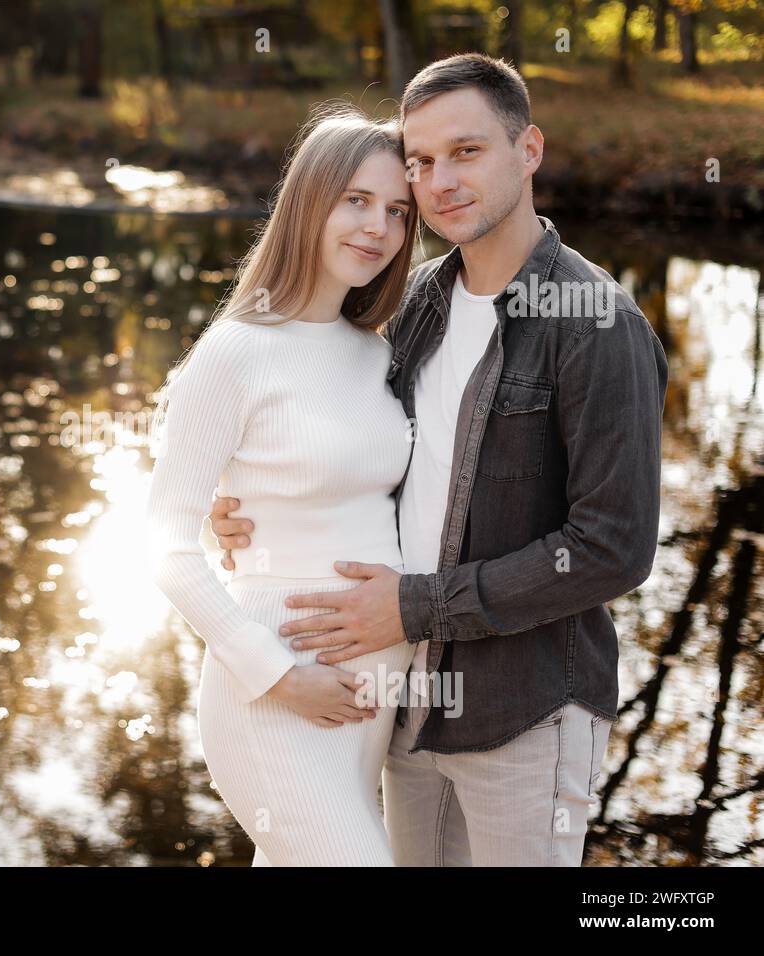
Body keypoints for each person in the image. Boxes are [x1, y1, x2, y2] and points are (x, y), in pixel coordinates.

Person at [208, 54, 669, 866]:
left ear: (528, 150)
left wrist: (418, 606)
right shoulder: (415, 299)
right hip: (404, 706)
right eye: (420, 161)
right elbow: (344, 439)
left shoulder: (596, 323)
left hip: (528, 709)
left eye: (467, 151)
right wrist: (248, 501)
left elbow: (612, 547)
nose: (438, 181)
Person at [145, 103, 421, 865]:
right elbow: (164, 543)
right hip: (276, 690)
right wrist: (278, 676)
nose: (377, 228)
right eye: (356, 201)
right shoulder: (236, 350)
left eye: (397, 211)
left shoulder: (373, 352)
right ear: (309, 202)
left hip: (370, 694)